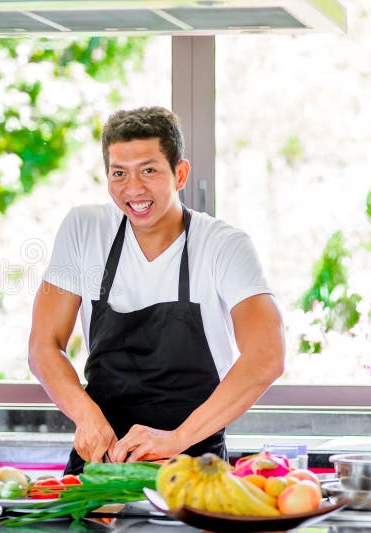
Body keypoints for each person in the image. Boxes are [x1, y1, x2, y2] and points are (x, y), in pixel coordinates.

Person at [29, 107, 284, 473]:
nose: (133, 189)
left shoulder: (224, 246)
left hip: (193, 466)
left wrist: (175, 439)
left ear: (180, 174)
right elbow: (42, 345)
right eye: (119, 173)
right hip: (102, 461)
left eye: (148, 170)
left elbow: (266, 355)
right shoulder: (84, 229)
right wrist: (86, 416)